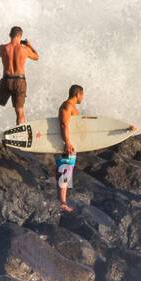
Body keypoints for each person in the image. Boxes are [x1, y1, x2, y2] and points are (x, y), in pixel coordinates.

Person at [0, 26, 39, 133]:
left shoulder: (2, 48)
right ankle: (20, 134)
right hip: (20, 81)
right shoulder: (25, 49)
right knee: (19, 109)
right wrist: (29, 45)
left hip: (6, 80)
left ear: (10, 35)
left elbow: (1, 54)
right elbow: (37, 57)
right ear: (20, 36)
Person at [55, 84, 84, 212]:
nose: (83, 98)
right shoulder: (67, 106)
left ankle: (62, 201)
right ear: (78, 94)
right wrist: (67, 142)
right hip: (66, 145)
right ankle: (62, 203)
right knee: (65, 171)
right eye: (82, 95)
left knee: (66, 172)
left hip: (70, 145)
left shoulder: (71, 107)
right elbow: (64, 124)